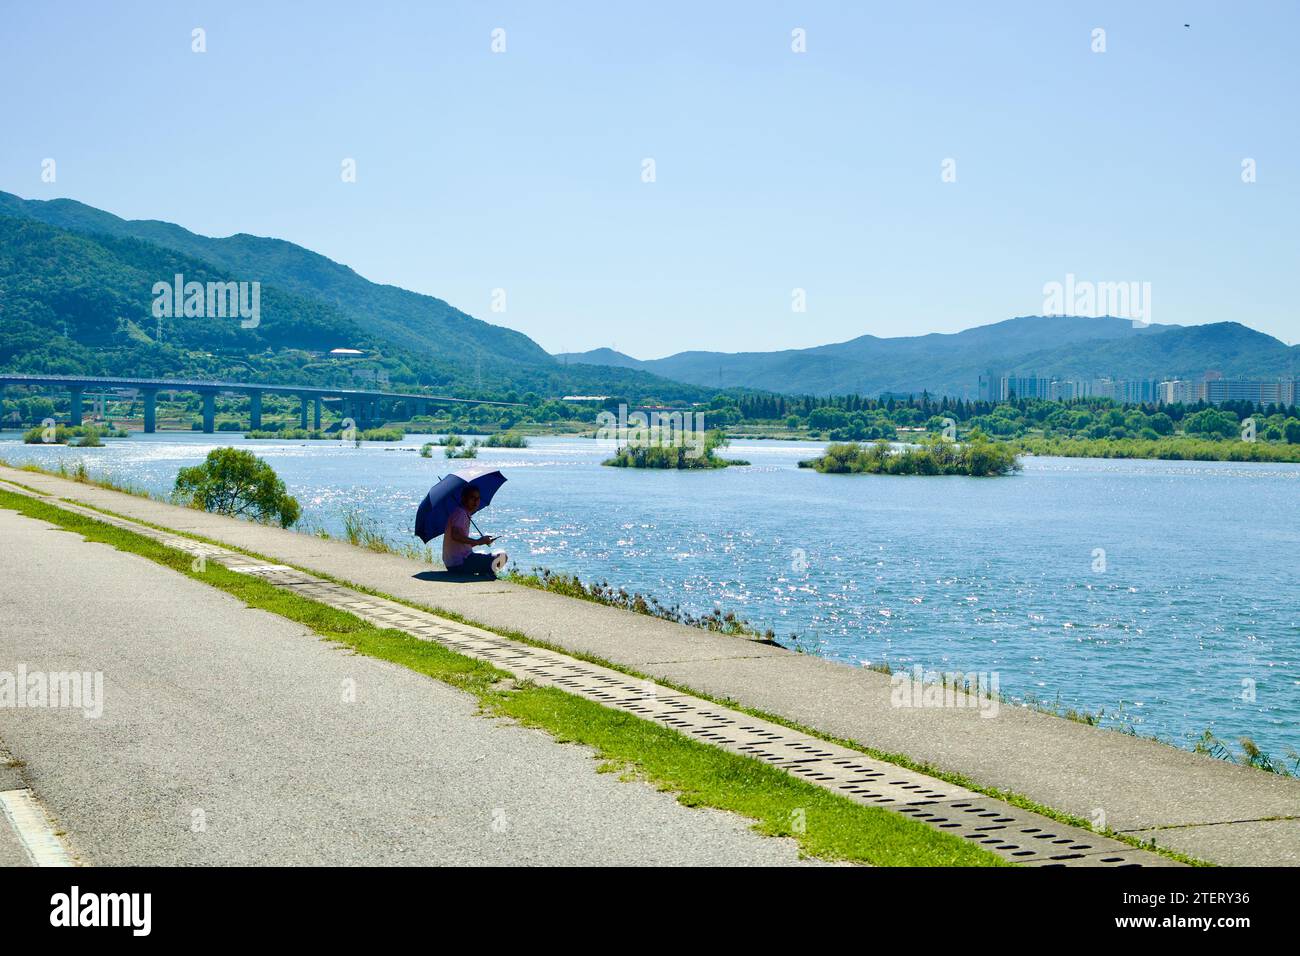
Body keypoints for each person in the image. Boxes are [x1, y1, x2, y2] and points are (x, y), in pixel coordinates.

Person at [442, 485, 499, 578]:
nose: (476, 502)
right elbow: (455, 536)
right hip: (460, 563)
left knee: (484, 553)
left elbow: (461, 544)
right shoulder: (461, 514)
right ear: (464, 499)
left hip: (453, 563)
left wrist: (481, 541)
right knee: (501, 556)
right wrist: (478, 542)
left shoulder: (462, 513)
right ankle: (486, 572)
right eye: (472, 498)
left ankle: (485, 572)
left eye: (478, 498)